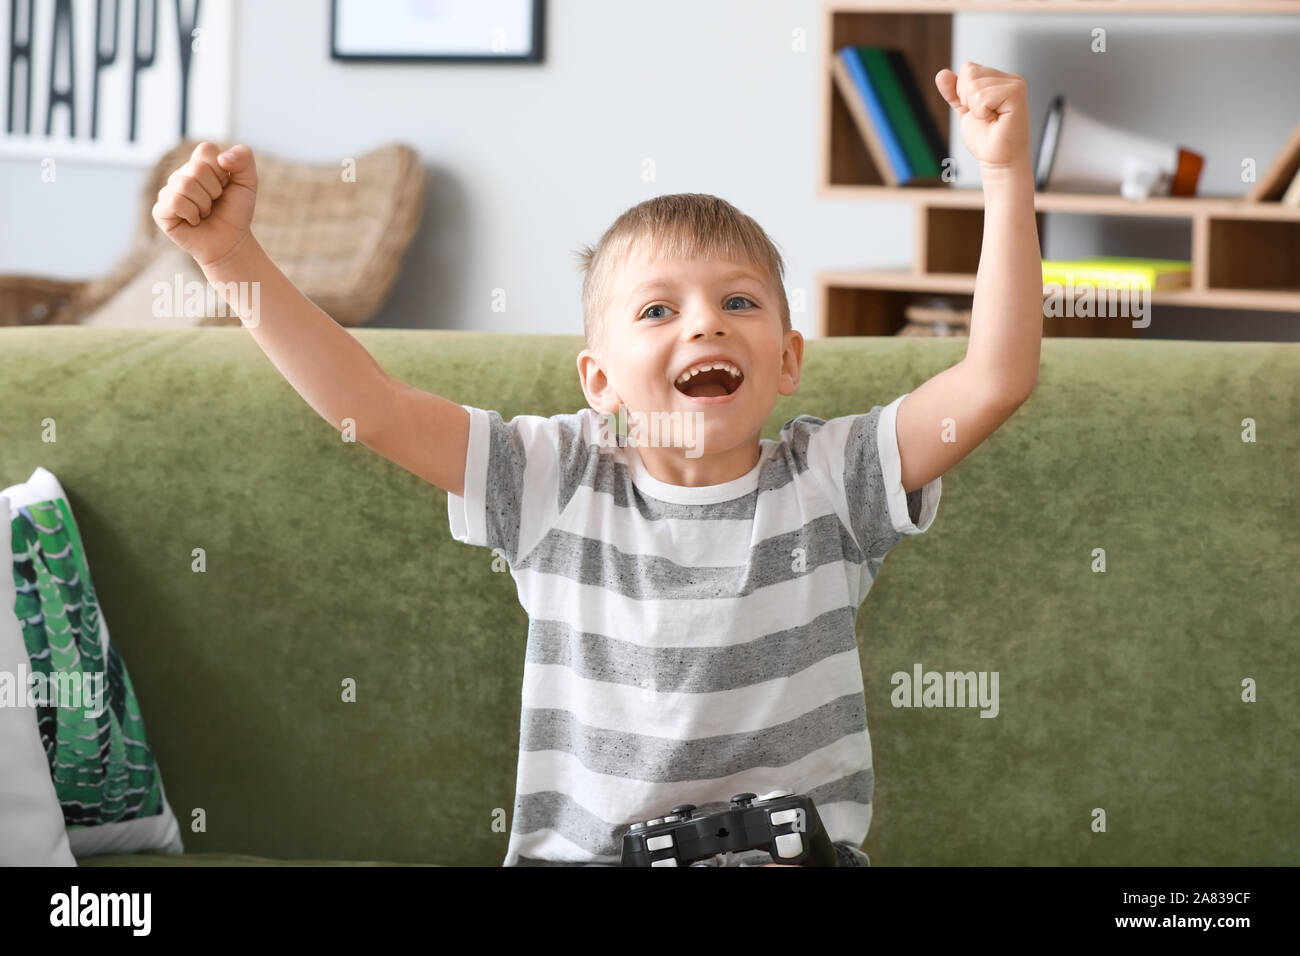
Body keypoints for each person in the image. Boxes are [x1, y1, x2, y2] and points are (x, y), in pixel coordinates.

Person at [151, 62, 1041, 867]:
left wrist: (1003, 178)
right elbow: (371, 408)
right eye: (659, 310)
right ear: (599, 381)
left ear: (788, 360)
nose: (706, 323)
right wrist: (230, 256)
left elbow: (996, 376)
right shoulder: (552, 476)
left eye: (739, 301)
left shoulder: (834, 479)